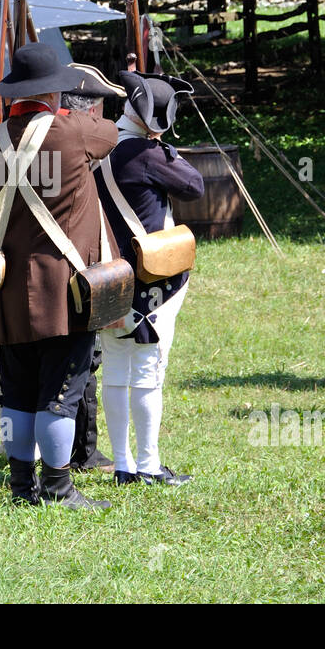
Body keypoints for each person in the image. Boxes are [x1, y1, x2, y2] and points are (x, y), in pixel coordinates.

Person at [0, 42, 116, 509]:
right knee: (61, 391)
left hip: (5, 286)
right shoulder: (75, 133)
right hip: (66, 288)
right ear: (54, 94)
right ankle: (58, 488)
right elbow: (111, 131)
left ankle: (22, 487)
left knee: (18, 390)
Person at [95, 71, 202, 485]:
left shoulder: (98, 144)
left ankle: (123, 465)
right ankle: (149, 464)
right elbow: (194, 186)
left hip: (105, 273)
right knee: (148, 370)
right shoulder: (147, 154)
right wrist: (166, 149)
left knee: (117, 370)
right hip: (149, 280)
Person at [58, 63, 126, 474]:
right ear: (92, 109)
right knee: (82, 364)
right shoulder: (82, 137)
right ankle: (79, 453)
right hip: (78, 264)